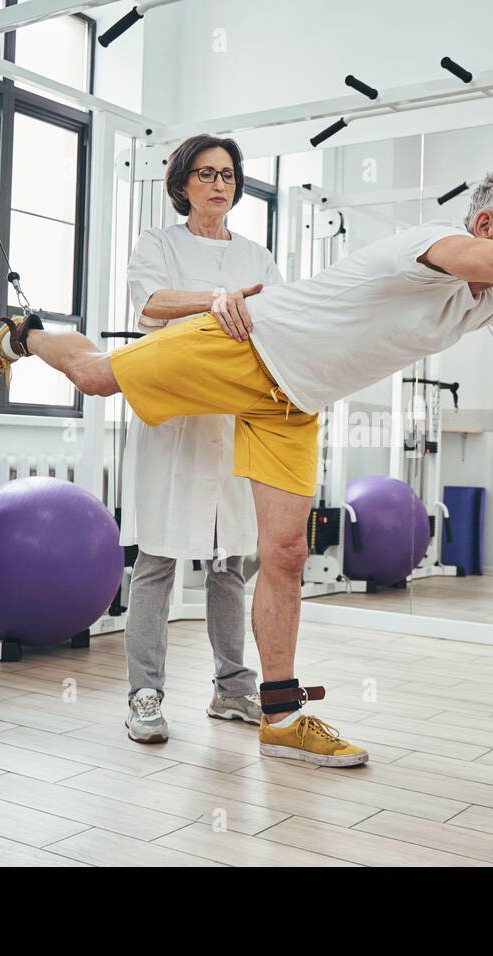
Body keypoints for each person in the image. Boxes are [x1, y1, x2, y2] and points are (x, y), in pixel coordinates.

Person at [0, 145, 493, 768]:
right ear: (487, 226)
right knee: (94, 377)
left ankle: (282, 715)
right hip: (244, 347)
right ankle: (23, 332)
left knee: (284, 553)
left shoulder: (490, 295)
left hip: (294, 402)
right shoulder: (429, 245)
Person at [120, 135, 282, 744]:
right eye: (207, 173)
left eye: (229, 174)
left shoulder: (257, 256)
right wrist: (216, 301)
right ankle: (145, 694)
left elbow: (276, 315)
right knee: (157, 559)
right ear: (183, 182)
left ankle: (233, 691)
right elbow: (153, 302)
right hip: (174, 418)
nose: (220, 183)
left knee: (229, 561)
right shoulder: (158, 244)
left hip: (233, 420)